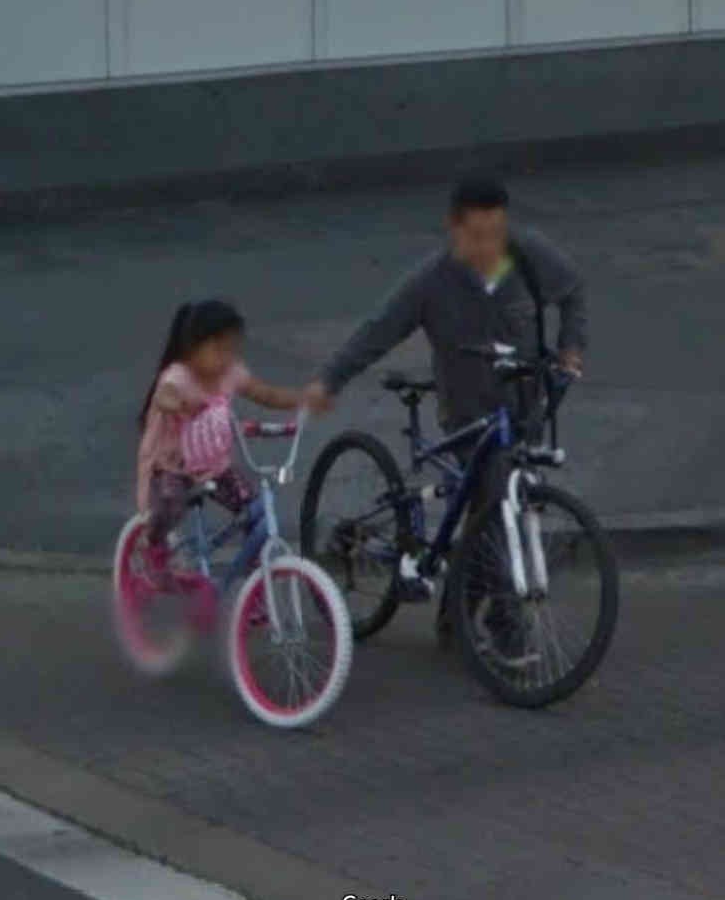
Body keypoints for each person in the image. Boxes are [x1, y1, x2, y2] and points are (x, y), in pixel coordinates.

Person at [303, 173, 587, 654]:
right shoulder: (431, 283)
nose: (488, 246)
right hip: (468, 415)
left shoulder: (529, 254)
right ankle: (504, 622)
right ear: (453, 229)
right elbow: (378, 331)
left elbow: (573, 292)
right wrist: (329, 381)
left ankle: (455, 618)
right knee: (495, 506)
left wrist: (570, 347)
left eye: (496, 233)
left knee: (489, 507)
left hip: (524, 405)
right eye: (476, 235)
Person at [136, 299, 303, 582]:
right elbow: (165, 395)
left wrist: (302, 400)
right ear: (193, 349)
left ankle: (256, 583)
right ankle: (154, 543)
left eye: (231, 348)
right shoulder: (179, 375)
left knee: (255, 512)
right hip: (174, 465)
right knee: (171, 504)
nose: (227, 357)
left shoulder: (230, 372)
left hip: (213, 464)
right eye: (218, 349)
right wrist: (178, 404)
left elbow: (264, 394)